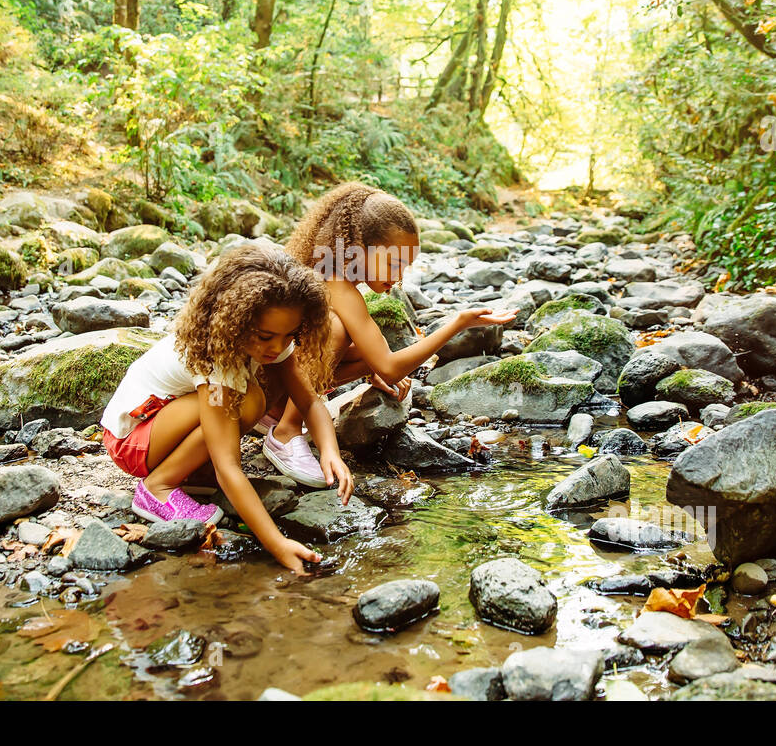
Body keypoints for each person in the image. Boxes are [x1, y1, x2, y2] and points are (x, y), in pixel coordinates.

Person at [100, 242, 352, 573]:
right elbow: (229, 466)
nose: (277, 347)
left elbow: (308, 400)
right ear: (236, 320)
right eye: (265, 337)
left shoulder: (272, 340)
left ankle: (188, 474)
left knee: (251, 400)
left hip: (163, 425)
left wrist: (330, 450)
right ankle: (156, 488)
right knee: (243, 404)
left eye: (290, 335)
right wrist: (276, 543)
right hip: (133, 438)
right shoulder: (214, 359)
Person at [261, 181, 516, 484]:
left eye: (405, 266)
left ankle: (280, 417)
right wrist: (457, 324)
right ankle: (285, 431)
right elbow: (391, 367)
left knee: (364, 348)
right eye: (394, 263)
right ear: (358, 250)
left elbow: (382, 362)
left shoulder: (339, 276)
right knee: (339, 330)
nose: (398, 277)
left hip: (277, 386)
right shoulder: (333, 282)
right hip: (262, 390)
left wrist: (371, 368)